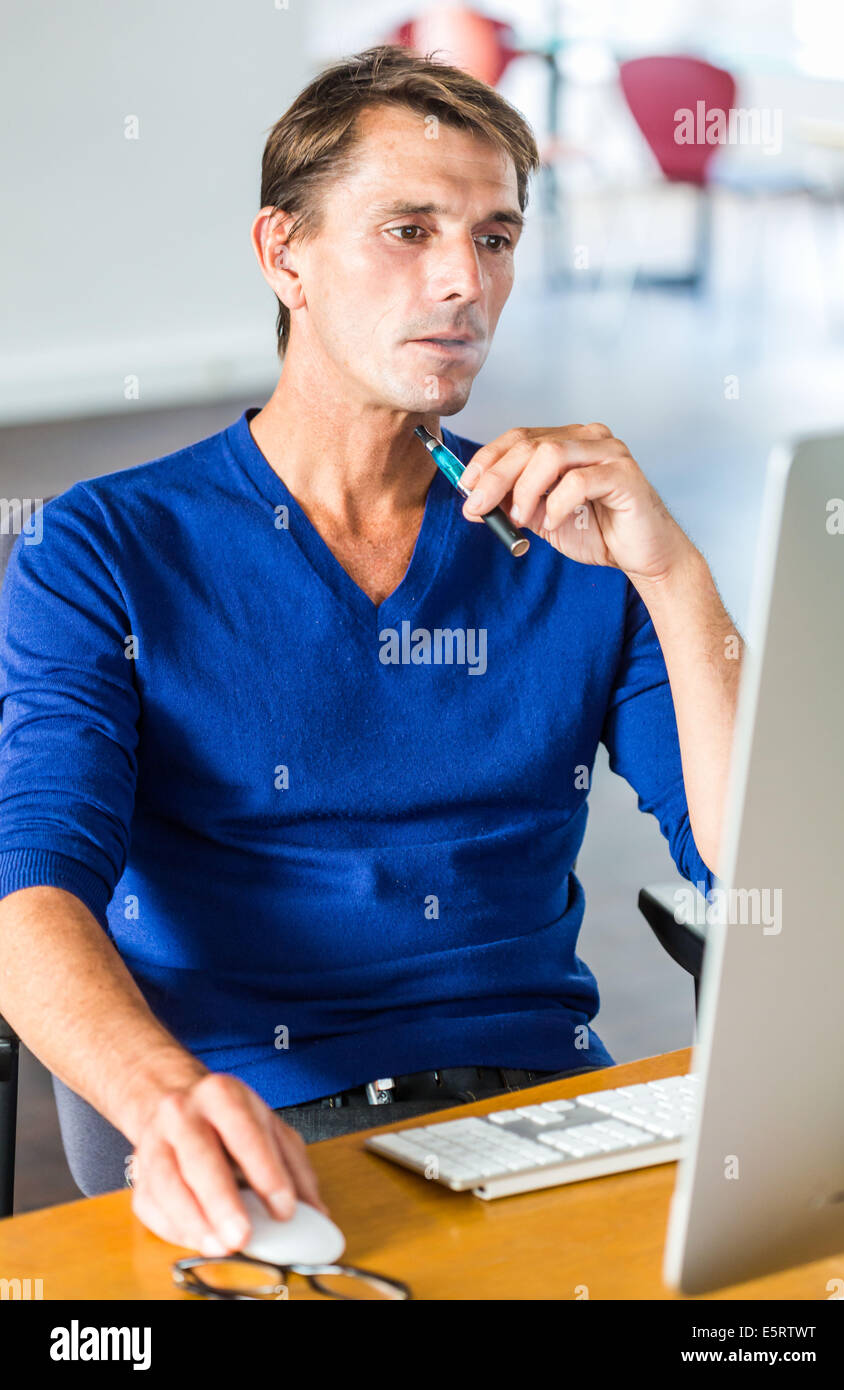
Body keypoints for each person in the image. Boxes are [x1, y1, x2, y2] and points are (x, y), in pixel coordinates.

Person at [0, 45, 741, 1255]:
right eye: (409, 229)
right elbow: (26, 884)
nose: (462, 280)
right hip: (261, 1113)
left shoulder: (574, 544)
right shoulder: (109, 545)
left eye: (494, 238)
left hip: (539, 1099)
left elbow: (751, 861)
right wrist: (162, 1096)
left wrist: (672, 576)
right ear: (282, 253)